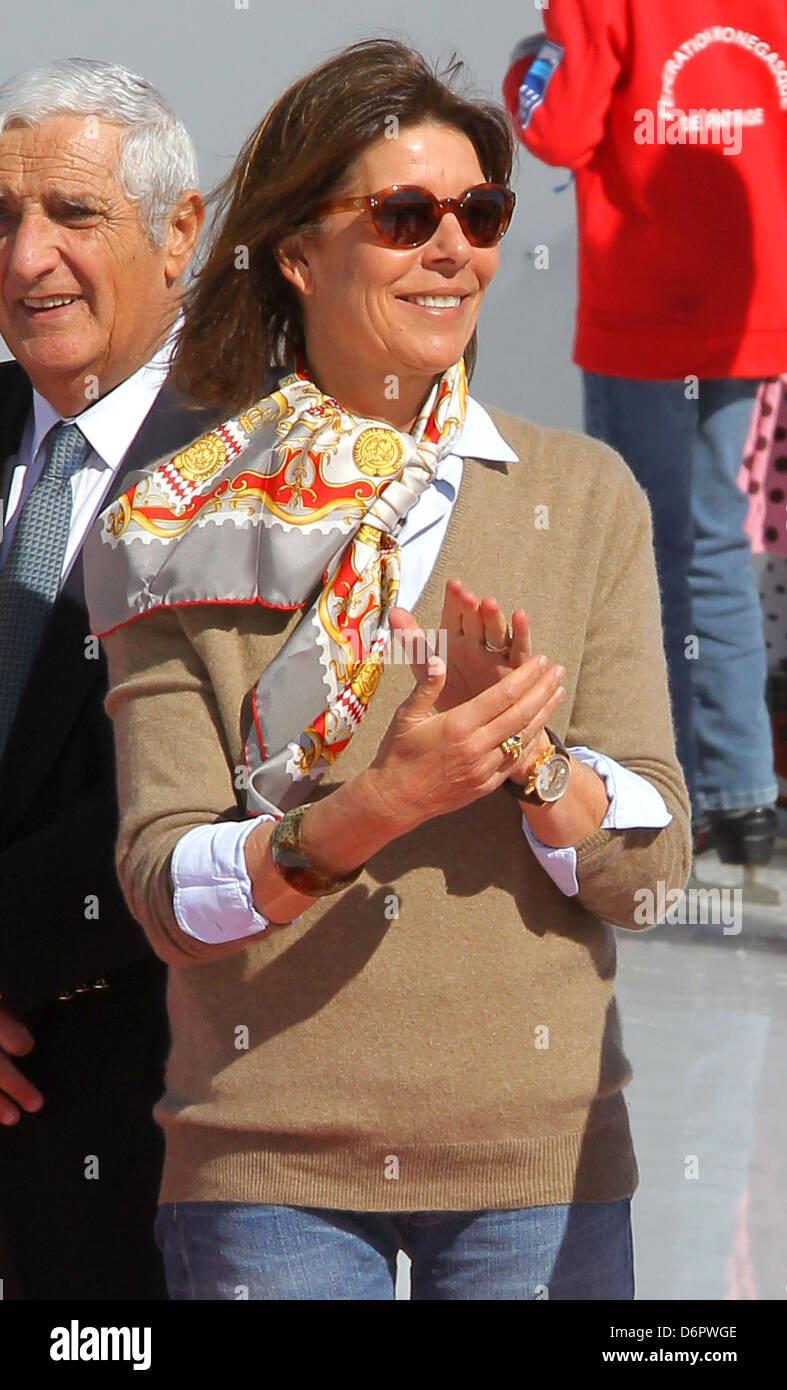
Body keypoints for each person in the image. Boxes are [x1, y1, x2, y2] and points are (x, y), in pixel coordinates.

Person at [83, 39, 691, 1302]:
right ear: (298, 252)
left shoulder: (584, 498)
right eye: (407, 215)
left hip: (540, 1168)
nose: (455, 249)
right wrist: (380, 804)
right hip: (264, 1171)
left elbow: (652, 872)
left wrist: (529, 763)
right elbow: (161, 888)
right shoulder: (172, 521)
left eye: (480, 213)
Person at [0, 58, 216, 1298]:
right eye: (5, 218)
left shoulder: (269, 460)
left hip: (133, 1119)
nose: (29, 259)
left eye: (73, 215)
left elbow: (222, 777)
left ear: (179, 230)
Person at [504, 1, 787, 866]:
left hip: (645, 314)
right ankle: (741, 796)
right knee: (710, 541)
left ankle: (665, 790)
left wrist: (527, 65)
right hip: (750, 306)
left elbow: (556, 127)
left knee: (645, 554)